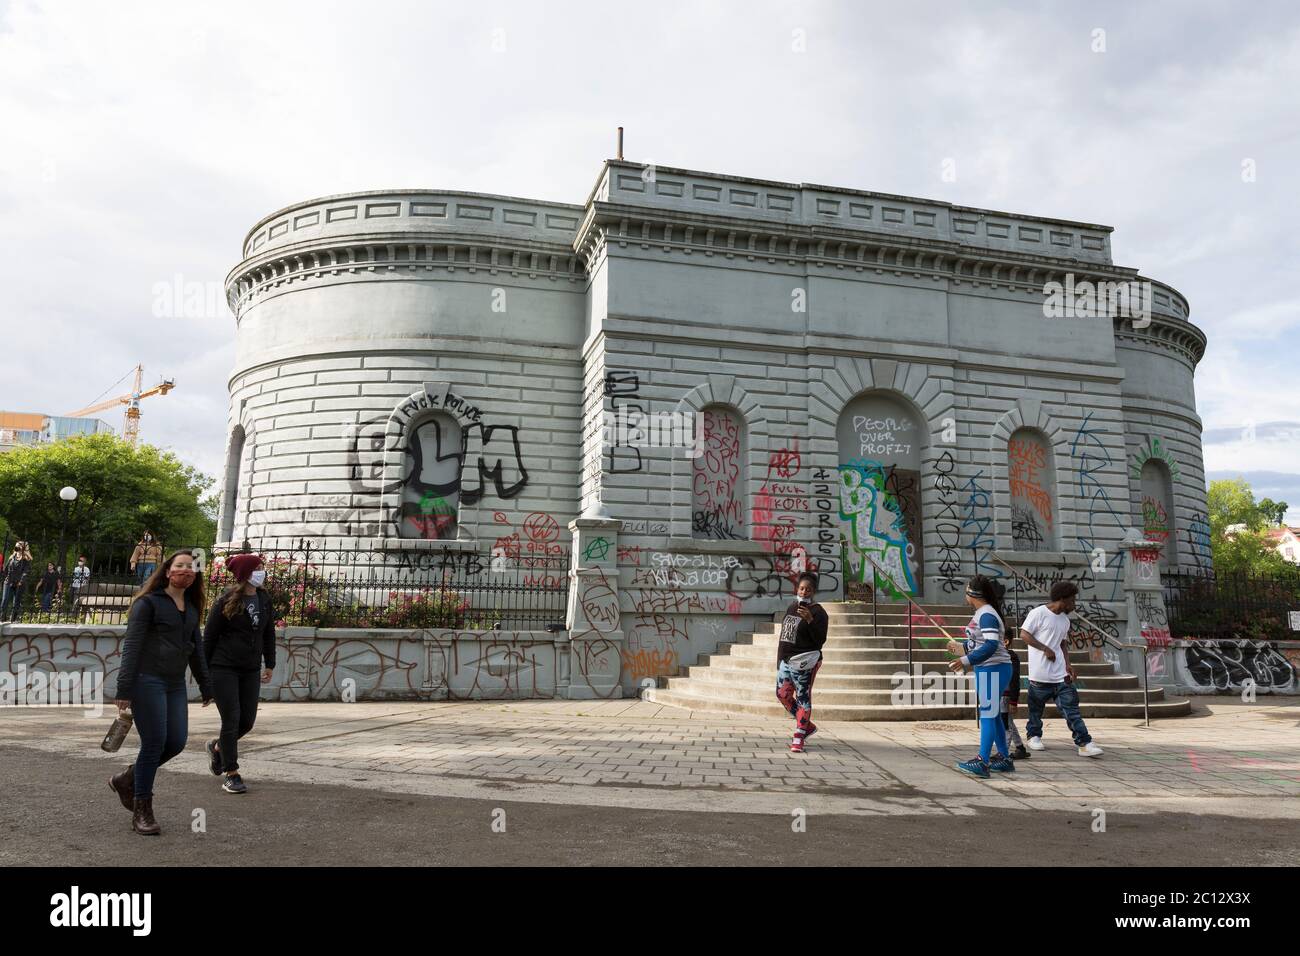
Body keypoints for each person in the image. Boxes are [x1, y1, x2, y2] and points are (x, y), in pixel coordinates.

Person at [108, 550, 214, 836]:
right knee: (154, 743)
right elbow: (132, 646)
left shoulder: (191, 609)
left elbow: (197, 650)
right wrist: (124, 687)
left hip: (174, 684)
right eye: (179, 566)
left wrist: (206, 685)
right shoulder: (148, 604)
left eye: (191, 568)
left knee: (176, 741)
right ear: (167, 571)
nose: (186, 571)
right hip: (146, 681)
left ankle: (127, 778)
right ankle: (142, 810)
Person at [203, 553, 276, 794]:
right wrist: (204, 677)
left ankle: (218, 749)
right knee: (232, 719)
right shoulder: (226, 600)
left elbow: (268, 634)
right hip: (223, 667)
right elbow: (209, 637)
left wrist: (270, 664)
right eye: (258, 568)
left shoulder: (264, 598)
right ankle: (231, 773)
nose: (262, 573)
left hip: (250, 668)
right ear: (246, 573)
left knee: (247, 721)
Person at [1019, 581, 1104, 757]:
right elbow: (1024, 634)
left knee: (1072, 710)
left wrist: (1068, 664)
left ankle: (1084, 743)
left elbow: (1063, 644)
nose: (1074, 605)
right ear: (1062, 599)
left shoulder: (1065, 620)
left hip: (1060, 675)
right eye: (1072, 600)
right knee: (1035, 711)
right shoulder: (1038, 613)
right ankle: (1033, 736)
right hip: (1039, 674)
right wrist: (1044, 648)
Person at [946, 575, 1015, 778]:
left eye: (966, 589)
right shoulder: (985, 613)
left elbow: (992, 645)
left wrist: (966, 660)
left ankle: (982, 761)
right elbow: (981, 642)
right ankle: (1003, 757)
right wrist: (962, 648)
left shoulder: (986, 615)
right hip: (992, 668)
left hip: (993, 668)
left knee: (987, 713)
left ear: (972, 594)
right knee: (992, 714)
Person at [775, 571, 829, 753]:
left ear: (813, 592)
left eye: (808, 589)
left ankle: (799, 735)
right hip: (786, 659)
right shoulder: (791, 608)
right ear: (797, 589)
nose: (804, 592)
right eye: (802, 588)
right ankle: (807, 725)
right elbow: (785, 636)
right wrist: (779, 661)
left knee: (803, 696)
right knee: (782, 694)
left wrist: (810, 620)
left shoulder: (819, 612)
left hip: (805, 661)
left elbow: (820, 641)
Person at [1002, 630, 1028, 760]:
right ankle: (1020, 748)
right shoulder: (998, 656)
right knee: (1008, 722)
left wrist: (1013, 700)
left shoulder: (1010, 657)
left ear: (1005, 641)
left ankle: (1003, 752)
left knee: (1005, 724)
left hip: (1006, 696)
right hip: (999, 694)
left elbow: (1014, 679)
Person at [1, 541, 32, 621]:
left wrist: (21, 581)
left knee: (16, 602)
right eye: (16, 546)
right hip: (8, 581)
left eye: (18, 546)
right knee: (5, 599)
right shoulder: (12, 557)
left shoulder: (26, 559)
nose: (16, 548)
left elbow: (26, 572)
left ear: (22, 548)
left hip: (19, 583)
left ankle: (13, 618)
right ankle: (2, 617)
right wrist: (4, 578)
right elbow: (6, 569)